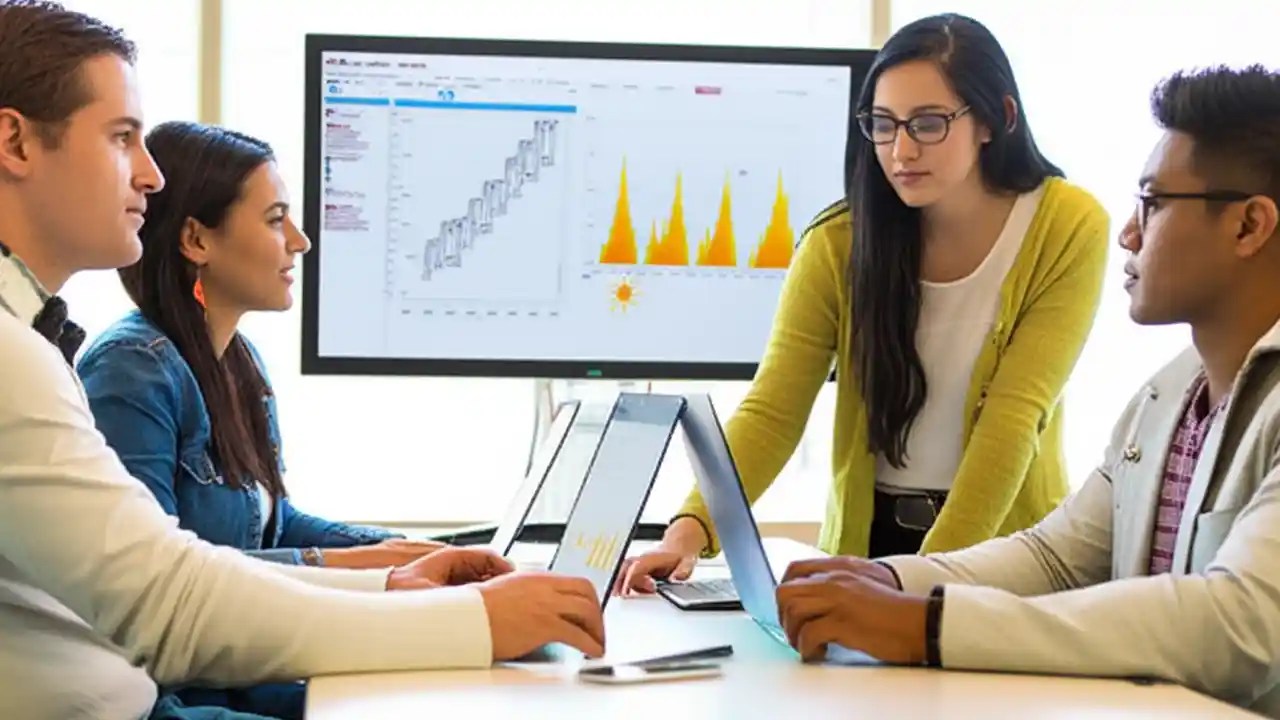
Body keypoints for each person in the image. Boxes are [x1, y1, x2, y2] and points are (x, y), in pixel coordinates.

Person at [0, 3, 604, 719]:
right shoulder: (70, 362)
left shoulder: (41, 343)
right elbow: (168, 603)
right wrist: (473, 620)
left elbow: (217, 555)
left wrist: (393, 576)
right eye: (122, 137)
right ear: (15, 142)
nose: (151, 176)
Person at [774, 64, 1280, 717]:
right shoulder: (1167, 398)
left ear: (1249, 226)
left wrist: (922, 626)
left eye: (1152, 204)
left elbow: (1237, 623)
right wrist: (887, 579)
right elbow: (1056, 560)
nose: (1129, 232)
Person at [618, 13, 1109, 594]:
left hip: (1006, 558)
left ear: (994, 120)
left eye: (928, 123)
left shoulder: (1067, 227)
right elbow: (774, 410)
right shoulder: (838, 242)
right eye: (883, 123)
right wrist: (689, 529)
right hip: (868, 553)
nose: (900, 149)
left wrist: (916, 584)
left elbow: (1014, 420)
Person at [77, 121, 440, 572]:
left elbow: (277, 525)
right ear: (196, 240)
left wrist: (409, 551)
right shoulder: (133, 370)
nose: (299, 241)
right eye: (274, 219)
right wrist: (362, 563)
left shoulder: (239, 362)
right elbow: (151, 575)